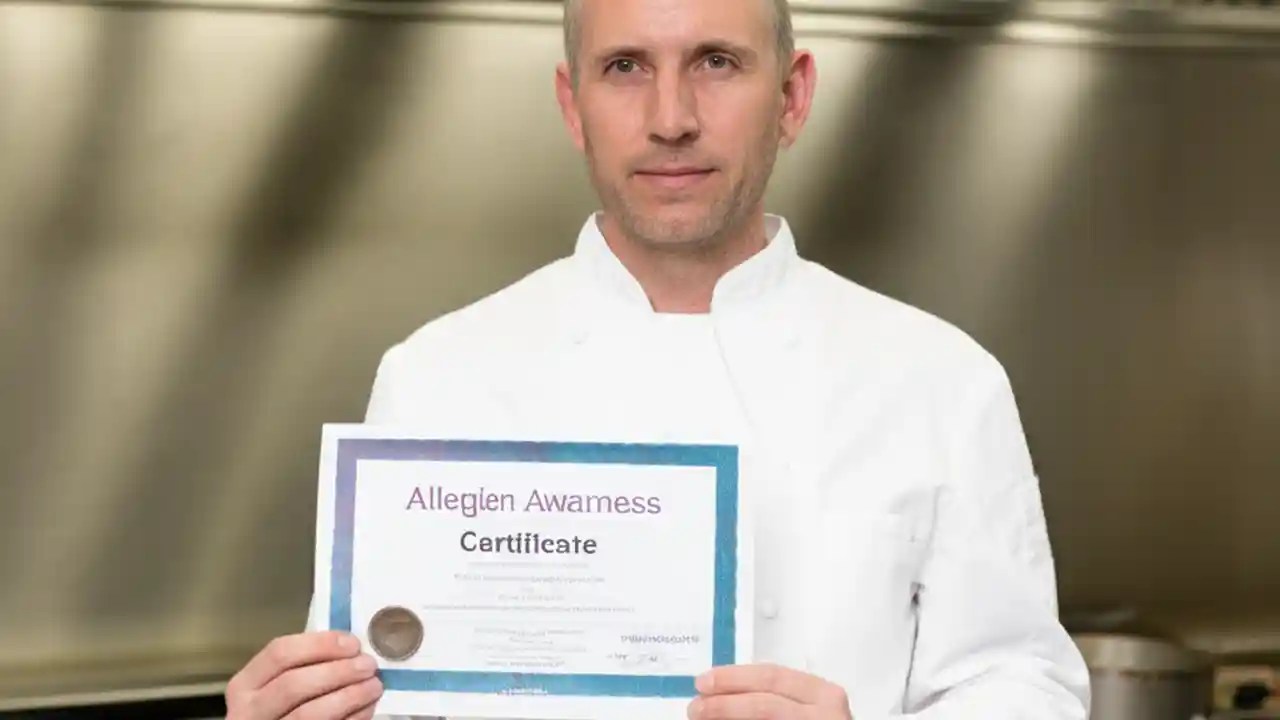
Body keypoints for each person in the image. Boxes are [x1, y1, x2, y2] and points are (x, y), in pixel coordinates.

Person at [224, 0, 1092, 717]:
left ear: (791, 97)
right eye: (625, 67)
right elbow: (378, 692)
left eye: (716, 61)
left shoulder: (939, 380)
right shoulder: (436, 375)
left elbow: (1021, 686)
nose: (671, 120)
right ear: (572, 106)